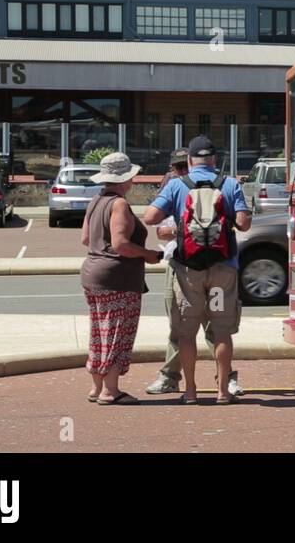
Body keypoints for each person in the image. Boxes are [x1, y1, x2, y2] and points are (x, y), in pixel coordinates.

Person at [143, 135, 252, 405]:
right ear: (214, 160)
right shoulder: (230, 184)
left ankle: (190, 391)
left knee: (186, 332)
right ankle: (223, 391)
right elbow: (244, 224)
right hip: (222, 271)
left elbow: (150, 218)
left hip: (188, 271)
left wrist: (178, 224)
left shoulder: (178, 185)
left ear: (190, 161)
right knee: (221, 330)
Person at [80, 152, 164, 405]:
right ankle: (110, 390)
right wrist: (149, 254)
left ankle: (97, 387)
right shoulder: (118, 204)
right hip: (117, 277)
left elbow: (85, 238)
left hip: (93, 273)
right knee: (117, 332)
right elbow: (121, 245)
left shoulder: (96, 200)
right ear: (125, 179)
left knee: (99, 332)